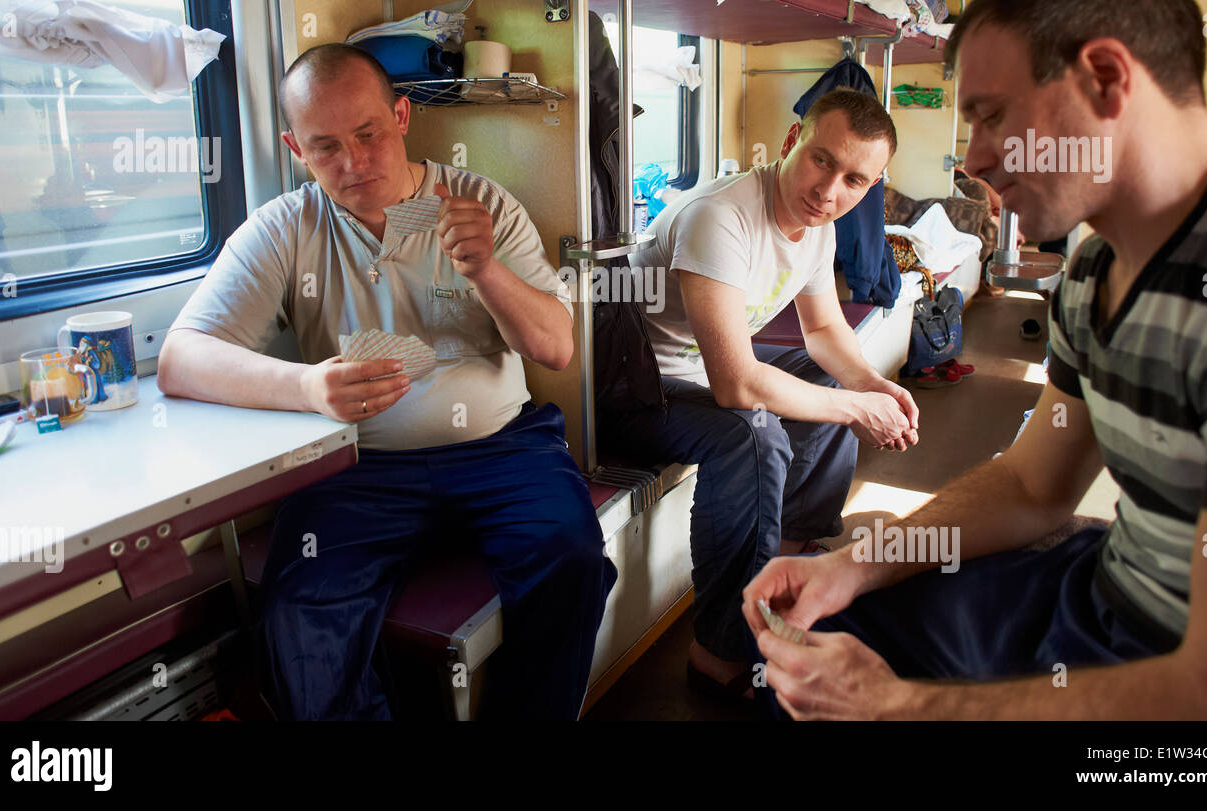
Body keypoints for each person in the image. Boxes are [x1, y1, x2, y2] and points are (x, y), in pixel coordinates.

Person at [744, 0, 1207, 720]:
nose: (974, 160)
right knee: (821, 630)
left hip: (1191, 693)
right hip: (1104, 595)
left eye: (991, 117)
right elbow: (1032, 484)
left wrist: (901, 705)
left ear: (1107, 78)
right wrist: (858, 563)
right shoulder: (1090, 276)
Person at [158, 43, 616, 720]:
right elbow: (180, 357)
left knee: (572, 559)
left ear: (402, 116)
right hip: (357, 466)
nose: (352, 162)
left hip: (501, 450)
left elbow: (553, 347)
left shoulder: (480, 203)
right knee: (297, 610)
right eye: (325, 147)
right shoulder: (289, 226)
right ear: (295, 147)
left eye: (368, 134)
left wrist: (486, 269)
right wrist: (308, 388)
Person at [605, 87, 919, 699]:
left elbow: (826, 331)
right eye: (821, 160)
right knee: (754, 434)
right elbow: (738, 383)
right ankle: (720, 650)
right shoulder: (721, 215)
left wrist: (873, 385)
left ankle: (790, 555)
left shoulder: (819, 223)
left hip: (701, 370)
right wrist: (856, 409)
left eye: (855, 180)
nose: (831, 191)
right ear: (788, 145)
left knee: (826, 375)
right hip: (635, 385)